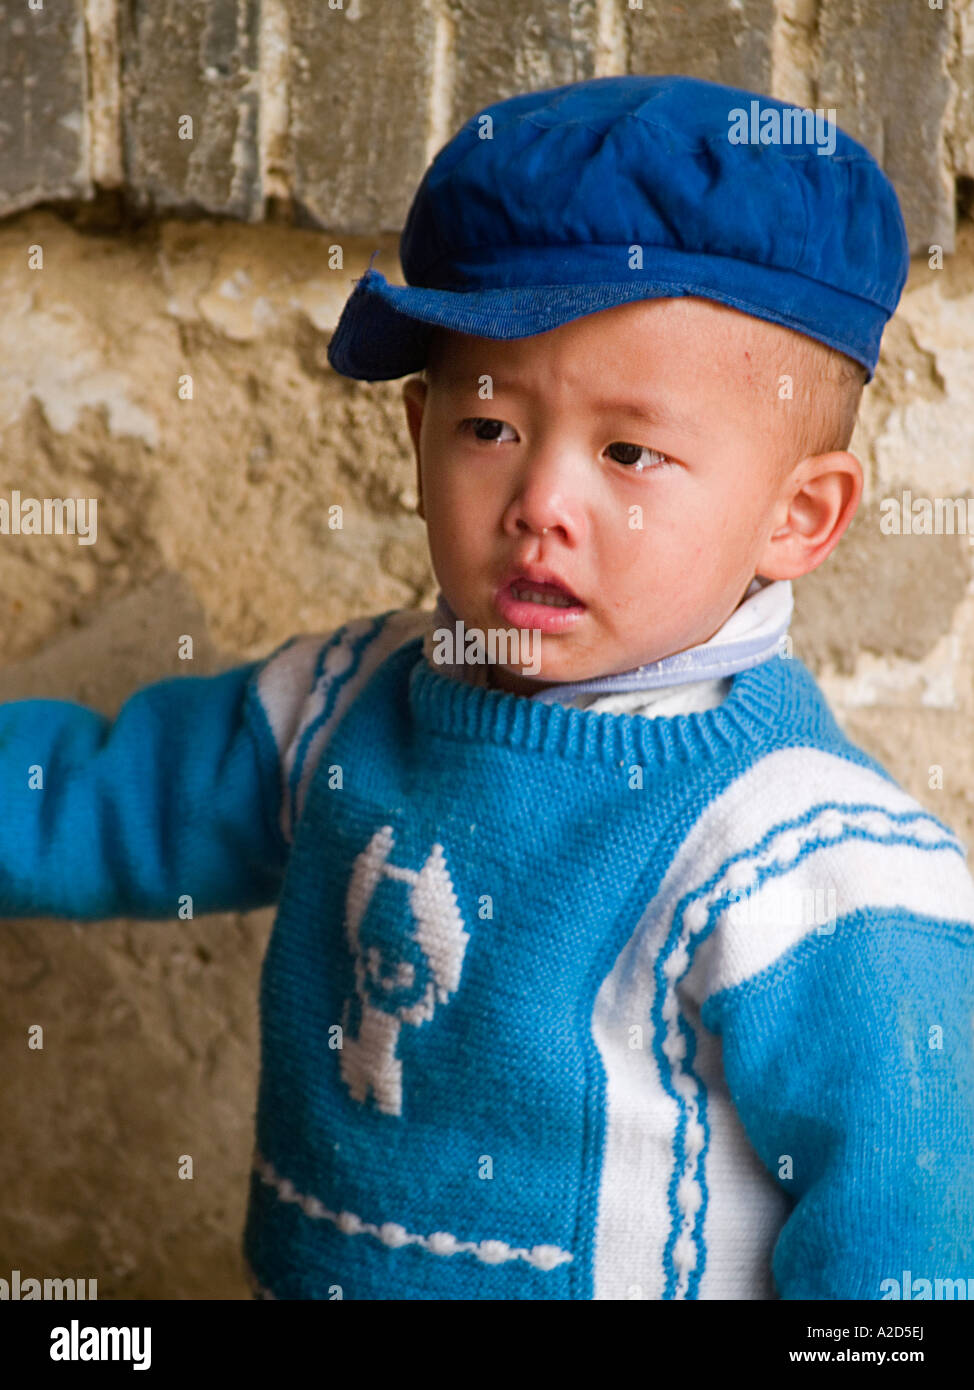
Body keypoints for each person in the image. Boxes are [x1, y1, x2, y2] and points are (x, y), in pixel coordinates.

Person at [4, 75, 972, 1301]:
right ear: (415, 438)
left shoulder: (808, 858)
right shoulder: (338, 708)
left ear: (797, 515)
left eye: (628, 451)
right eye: (487, 426)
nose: (539, 506)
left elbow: (909, 1239)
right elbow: (86, 801)